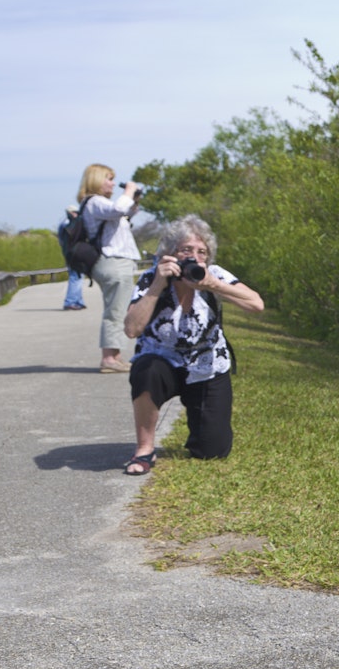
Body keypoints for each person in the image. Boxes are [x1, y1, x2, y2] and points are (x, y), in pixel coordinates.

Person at [121, 215, 264, 475]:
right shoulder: (152, 278)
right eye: (186, 250)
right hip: (161, 361)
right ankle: (144, 449)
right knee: (146, 370)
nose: (194, 258)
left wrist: (213, 284)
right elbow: (131, 329)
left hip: (206, 365)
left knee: (213, 451)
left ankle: (200, 428)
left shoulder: (214, 275)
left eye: (201, 252)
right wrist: (157, 285)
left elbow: (257, 304)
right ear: (170, 253)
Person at [76, 163, 142, 372]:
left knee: (118, 308)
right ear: (95, 179)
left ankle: (115, 355)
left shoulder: (99, 204)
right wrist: (129, 191)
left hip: (117, 261)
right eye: (108, 178)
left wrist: (134, 200)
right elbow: (118, 209)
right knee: (116, 310)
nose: (113, 183)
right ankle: (109, 359)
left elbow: (124, 214)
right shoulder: (95, 202)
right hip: (113, 261)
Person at [56, 203, 86, 310]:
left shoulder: (62, 224)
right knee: (75, 276)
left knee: (78, 276)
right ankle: (71, 301)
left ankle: (78, 300)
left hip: (70, 253)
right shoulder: (69, 224)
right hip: (73, 253)